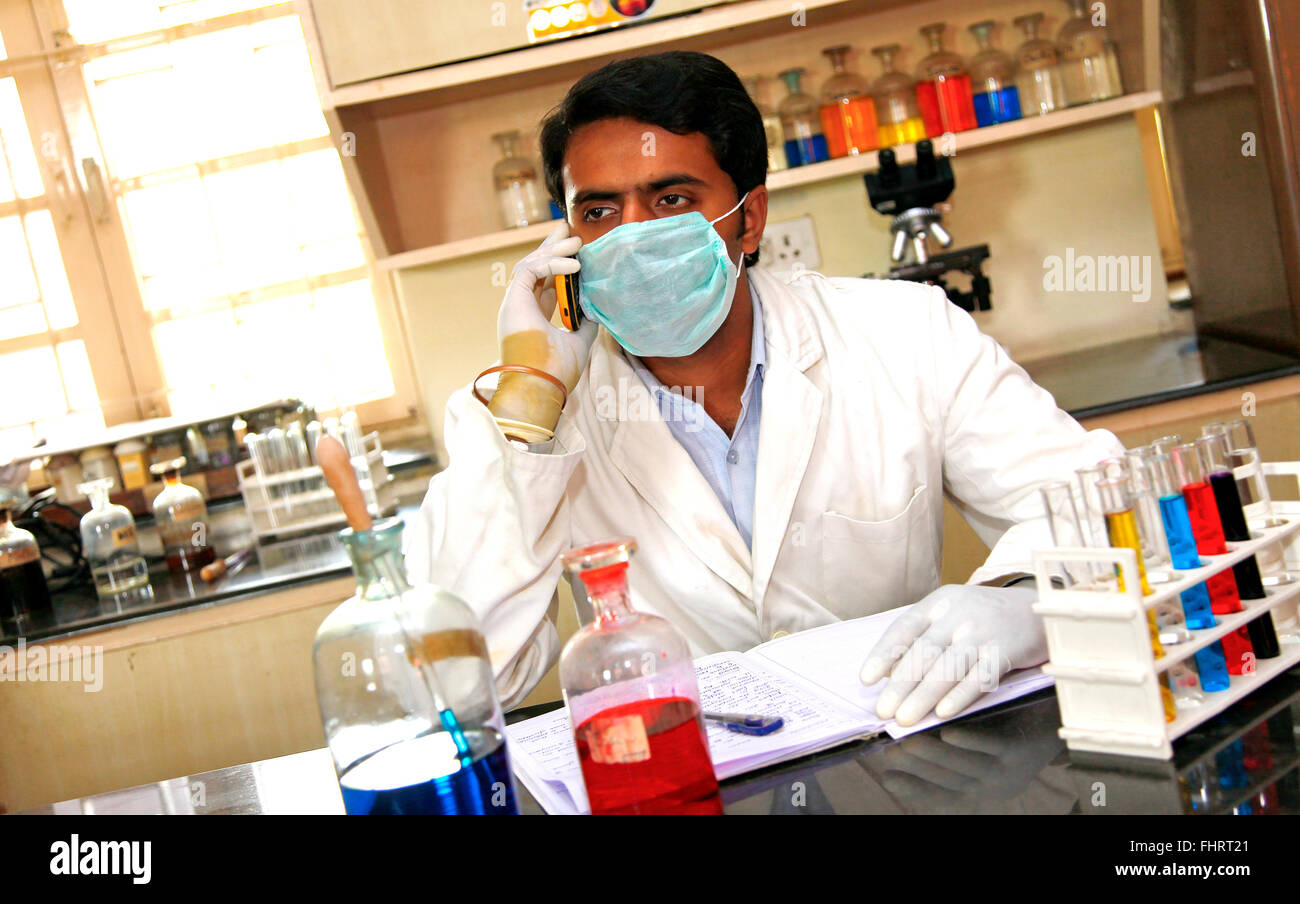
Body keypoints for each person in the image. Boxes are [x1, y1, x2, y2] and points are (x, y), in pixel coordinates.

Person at [404, 51, 1123, 723]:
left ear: (748, 218)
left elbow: (1098, 507)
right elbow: (466, 687)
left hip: (899, 749)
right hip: (690, 775)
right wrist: (531, 402)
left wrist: (1026, 604)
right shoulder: (521, 420)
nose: (631, 235)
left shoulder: (903, 334)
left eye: (670, 199)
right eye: (598, 212)